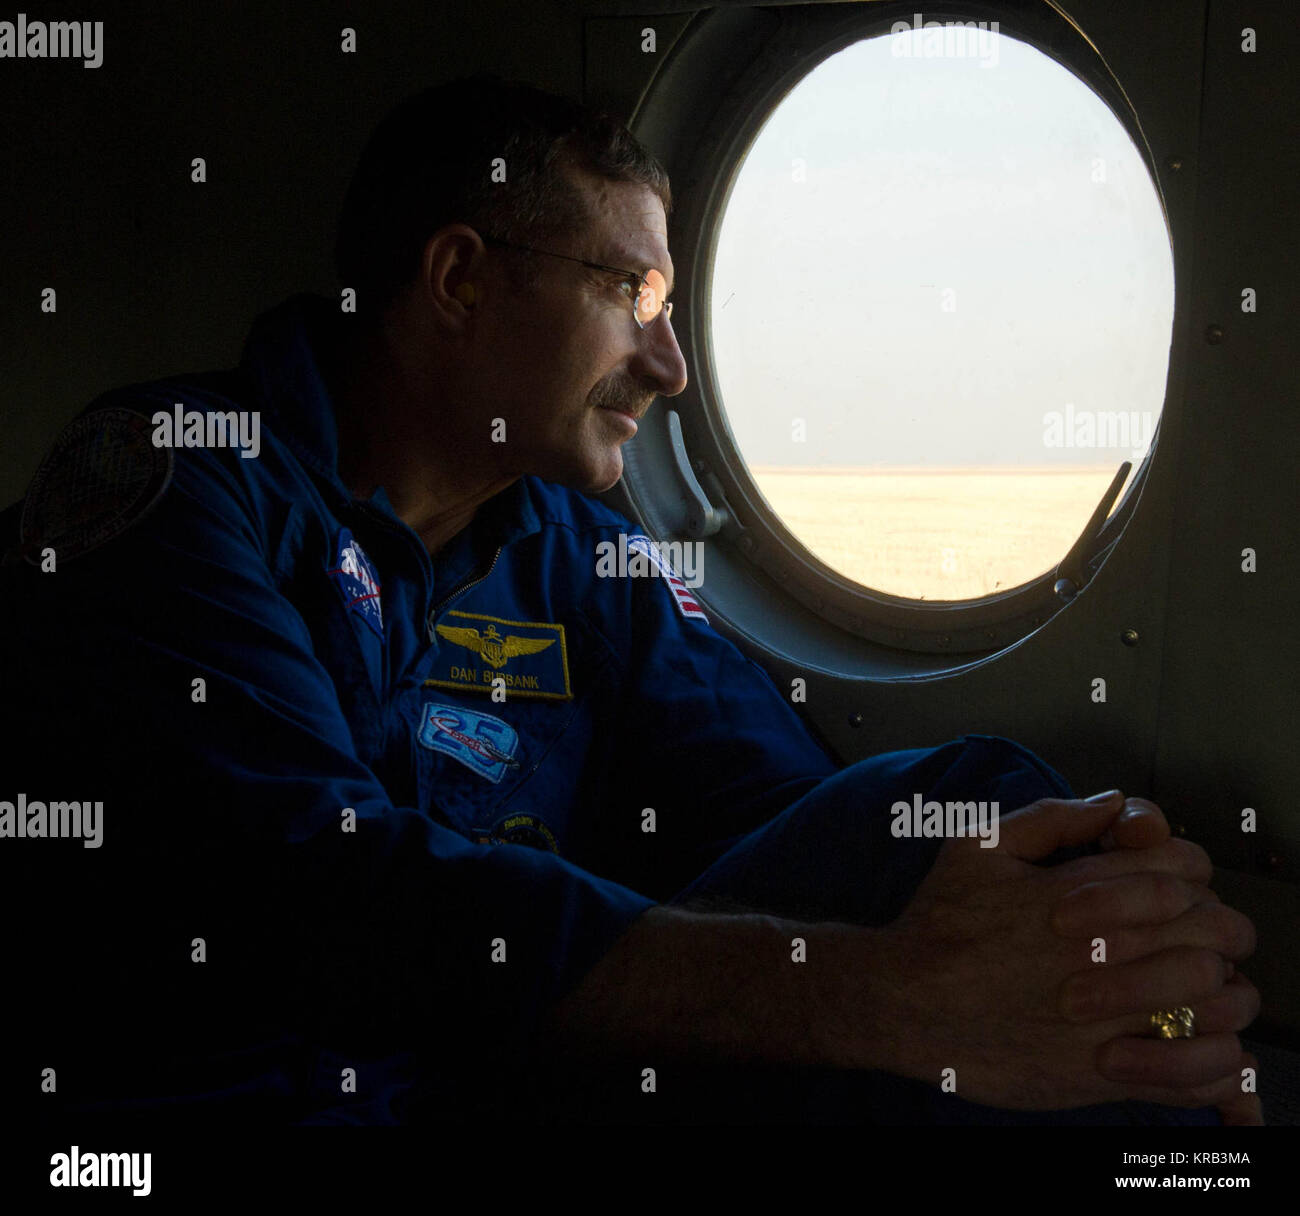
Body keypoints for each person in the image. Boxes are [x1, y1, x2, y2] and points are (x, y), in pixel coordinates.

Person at [0, 74, 1261, 1126]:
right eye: (632, 298)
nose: (670, 367)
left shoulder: (580, 549)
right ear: (458, 280)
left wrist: (1102, 939)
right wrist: (865, 998)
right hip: (248, 1088)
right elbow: (324, 898)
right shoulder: (178, 480)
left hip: (507, 1059)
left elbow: (775, 811)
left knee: (986, 804)